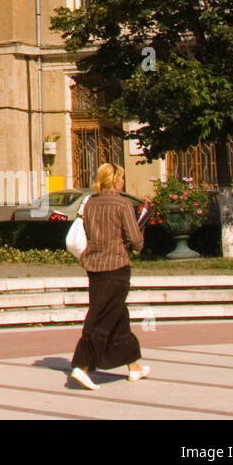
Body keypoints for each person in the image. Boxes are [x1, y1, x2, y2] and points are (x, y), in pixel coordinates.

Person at [69, 162, 150, 389]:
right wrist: (142, 224)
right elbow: (136, 241)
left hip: (94, 267)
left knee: (117, 315)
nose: (123, 182)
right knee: (104, 317)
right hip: (117, 266)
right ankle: (82, 365)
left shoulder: (90, 203)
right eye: (121, 178)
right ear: (115, 180)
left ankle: (134, 367)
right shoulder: (122, 204)